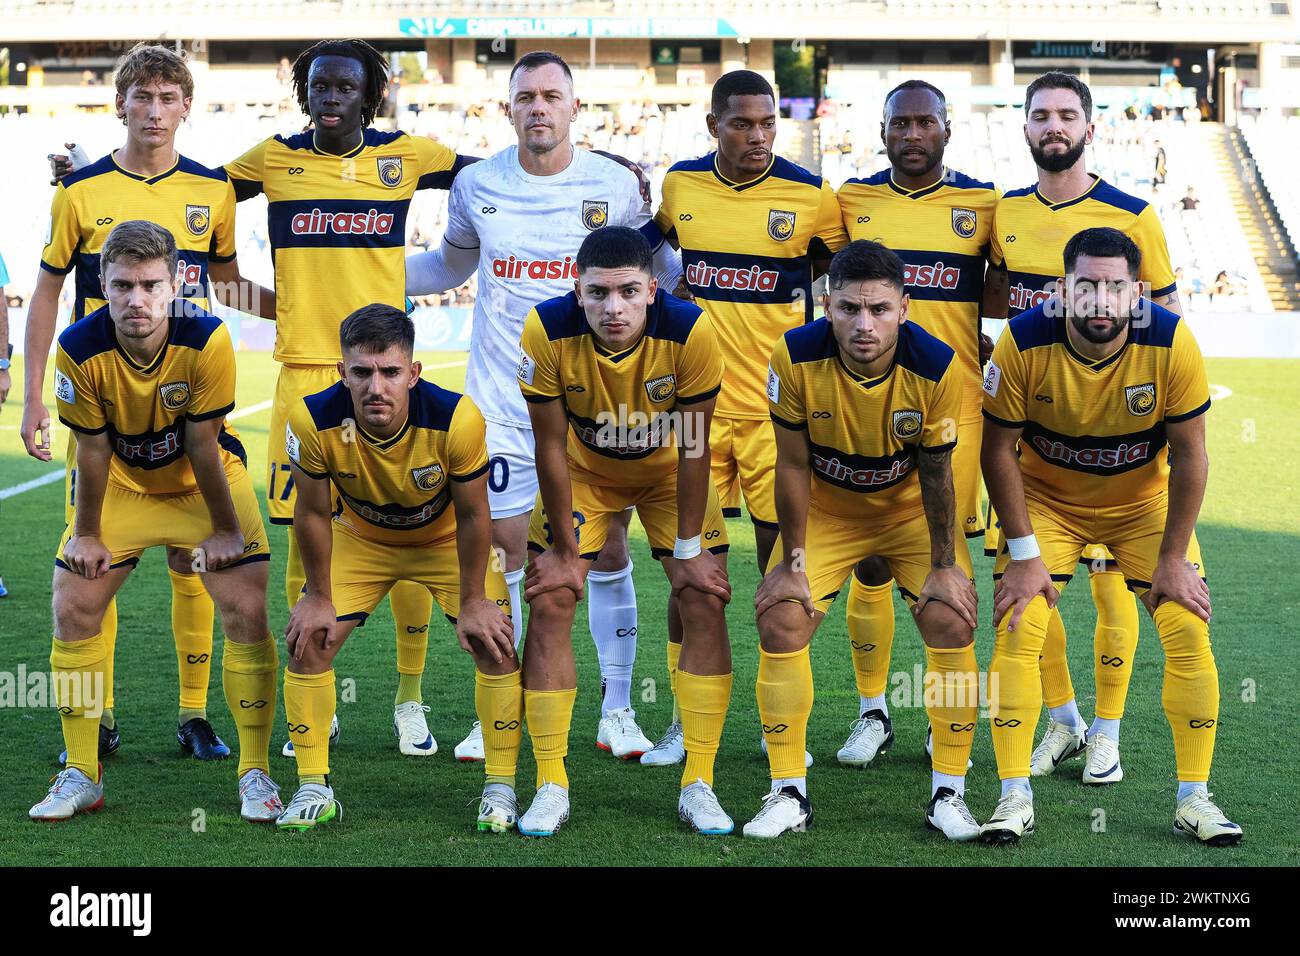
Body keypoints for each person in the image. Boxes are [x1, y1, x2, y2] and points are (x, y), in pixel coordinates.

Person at [406, 51, 682, 762]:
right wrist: (359, 270)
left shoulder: (615, 183)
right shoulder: (476, 185)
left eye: (551, 96)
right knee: (502, 557)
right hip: (500, 404)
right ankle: (498, 706)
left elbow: (661, 277)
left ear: (573, 108)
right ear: (507, 110)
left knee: (605, 549)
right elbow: (448, 267)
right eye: (524, 96)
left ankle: (617, 709)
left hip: (594, 410)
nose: (538, 107)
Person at [25, 41, 274, 765]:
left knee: (191, 565)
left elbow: (227, 285)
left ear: (187, 108)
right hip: (105, 401)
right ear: (121, 105)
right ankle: (95, 719)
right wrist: (36, 395)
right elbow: (46, 291)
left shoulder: (213, 189)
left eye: (169, 98)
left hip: (187, 397)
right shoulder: (79, 191)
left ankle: (194, 715)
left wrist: (299, 309)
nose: (156, 111)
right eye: (143, 97)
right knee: (92, 556)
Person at [980, 226, 1240, 846]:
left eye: (1114, 287)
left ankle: (1193, 798)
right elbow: (997, 453)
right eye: (1087, 286)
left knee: (1187, 625)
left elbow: (1192, 455)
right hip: (1049, 502)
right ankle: (1013, 795)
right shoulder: (1020, 340)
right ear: (1062, 289)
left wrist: (1175, 557)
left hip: (1142, 504)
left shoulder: (1172, 340)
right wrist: (1021, 553)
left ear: (1138, 292)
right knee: (1019, 625)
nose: (1100, 300)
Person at [29, 221, 281, 823]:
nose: (135, 300)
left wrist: (224, 532)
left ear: (174, 287)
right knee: (73, 601)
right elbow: (90, 452)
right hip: (124, 486)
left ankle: (255, 771)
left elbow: (202, 445)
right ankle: (81, 772)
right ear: (103, 287)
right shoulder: (77, 347)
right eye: (121, 286)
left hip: (205, 482)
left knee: (246, 608)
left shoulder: (208, 339)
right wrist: (86, 534)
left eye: (148, 285)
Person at [641, 69, 849, 766]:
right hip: (696, 415)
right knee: (690, 574)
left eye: (767, 124)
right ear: (713, 126)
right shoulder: (681, 188)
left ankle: (775, 724)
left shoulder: (811, 198)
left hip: (775, 421)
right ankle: (681, 718)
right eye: (741, 124)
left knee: (781, 575)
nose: (757, 137)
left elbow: (849, 288)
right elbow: (649, 257)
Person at [987, 71, 1183, 787]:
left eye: (1068, 114)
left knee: (1108, 585)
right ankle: (1064, 719)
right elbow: (990, 301)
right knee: (1031, 584)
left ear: (1091, 126)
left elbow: (1166, 321)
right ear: (1027, 127)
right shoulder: (1002, 214)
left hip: (1118, 440)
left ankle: (1107, 732)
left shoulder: (1136, 215)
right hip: (1035, 439)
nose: (1054, 125)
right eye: (1041, 114)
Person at [749, 240, 979, 840]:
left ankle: (949, 790)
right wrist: (791, 562)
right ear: (827, 305)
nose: (863, 324)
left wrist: (945, 566)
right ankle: (787, 791)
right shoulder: (793, 356)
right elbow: (793, 466)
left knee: (951, 618)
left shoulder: (938, 367)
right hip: (830, 510)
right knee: (781, 617)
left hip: (906, 511)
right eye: (849, 308)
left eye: (878, 309)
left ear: (905, 307)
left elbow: (936, 474)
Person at [508, 226, 732, 836]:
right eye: (599, 293)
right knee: (552, 598)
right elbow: (550, 445)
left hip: (666, 474)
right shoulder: (545, 329)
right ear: (575, 292)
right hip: (585, 473)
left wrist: (688, 548)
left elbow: (693, 444)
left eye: (629, 292)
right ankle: (551, 782)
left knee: (704, 598)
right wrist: (561, 547)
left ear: (652, 290)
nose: (614, 308)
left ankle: (700, 782)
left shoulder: (691, 330)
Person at [282, 304, 513, 830]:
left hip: (445, 540)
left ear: (414, 373)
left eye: (389, 372)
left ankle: (500, 787)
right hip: (362, 539)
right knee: (309, 641)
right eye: (361, 372)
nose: (375, 387)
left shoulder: (457, 418)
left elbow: (477, 515)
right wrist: (317, 595)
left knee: (496, 643)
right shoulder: (312, 419)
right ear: (342, 373)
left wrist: (476, 600)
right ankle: (313, 787)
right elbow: (313, 513)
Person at [834, 79, 1000, 767]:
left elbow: (1009, 286)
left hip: (953, 411)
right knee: (870, 556)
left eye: (923, 123)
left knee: (948, 559)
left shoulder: (983, 204)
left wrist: (990, 344)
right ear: (881, 131)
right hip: (862, 404)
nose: (910, 135)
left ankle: (943, 720)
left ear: (946, 130)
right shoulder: (850, 201)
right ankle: (874, 711)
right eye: (898, 124)